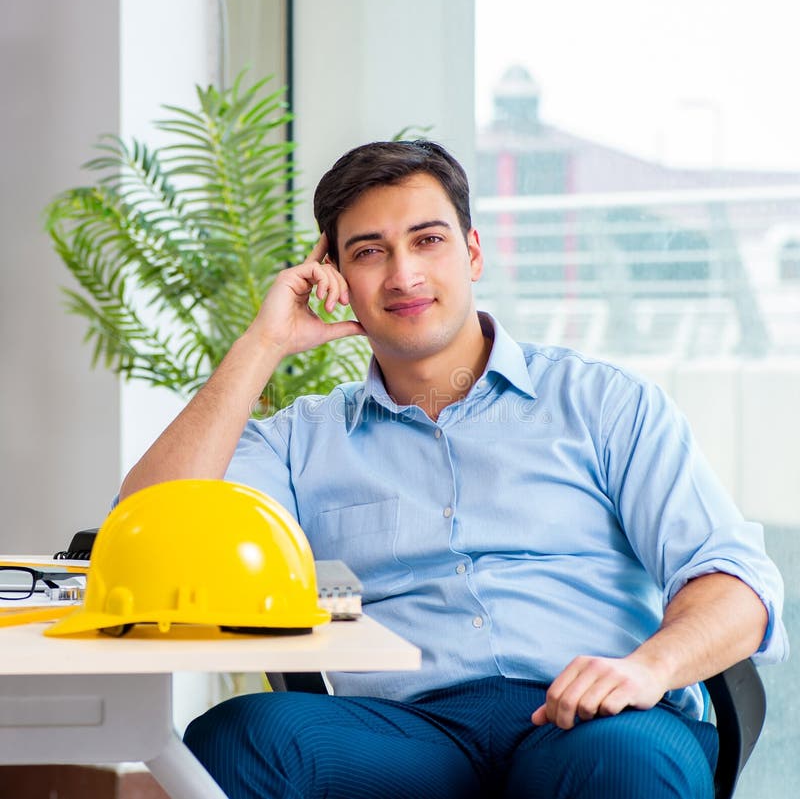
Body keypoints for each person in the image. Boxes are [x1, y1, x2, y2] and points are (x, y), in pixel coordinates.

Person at [120, 140, 788, 798]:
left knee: (621, 770)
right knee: (239, 740)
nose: (403, 275)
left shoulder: (604, 403)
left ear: (472, 252)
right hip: (406, 733)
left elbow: (736, 581)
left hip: (596, 720)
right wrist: (264, 342)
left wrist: (651, 667)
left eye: (428, 240)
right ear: (337, 279)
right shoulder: (301, 439)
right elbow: (149, 524)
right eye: (369, 252)